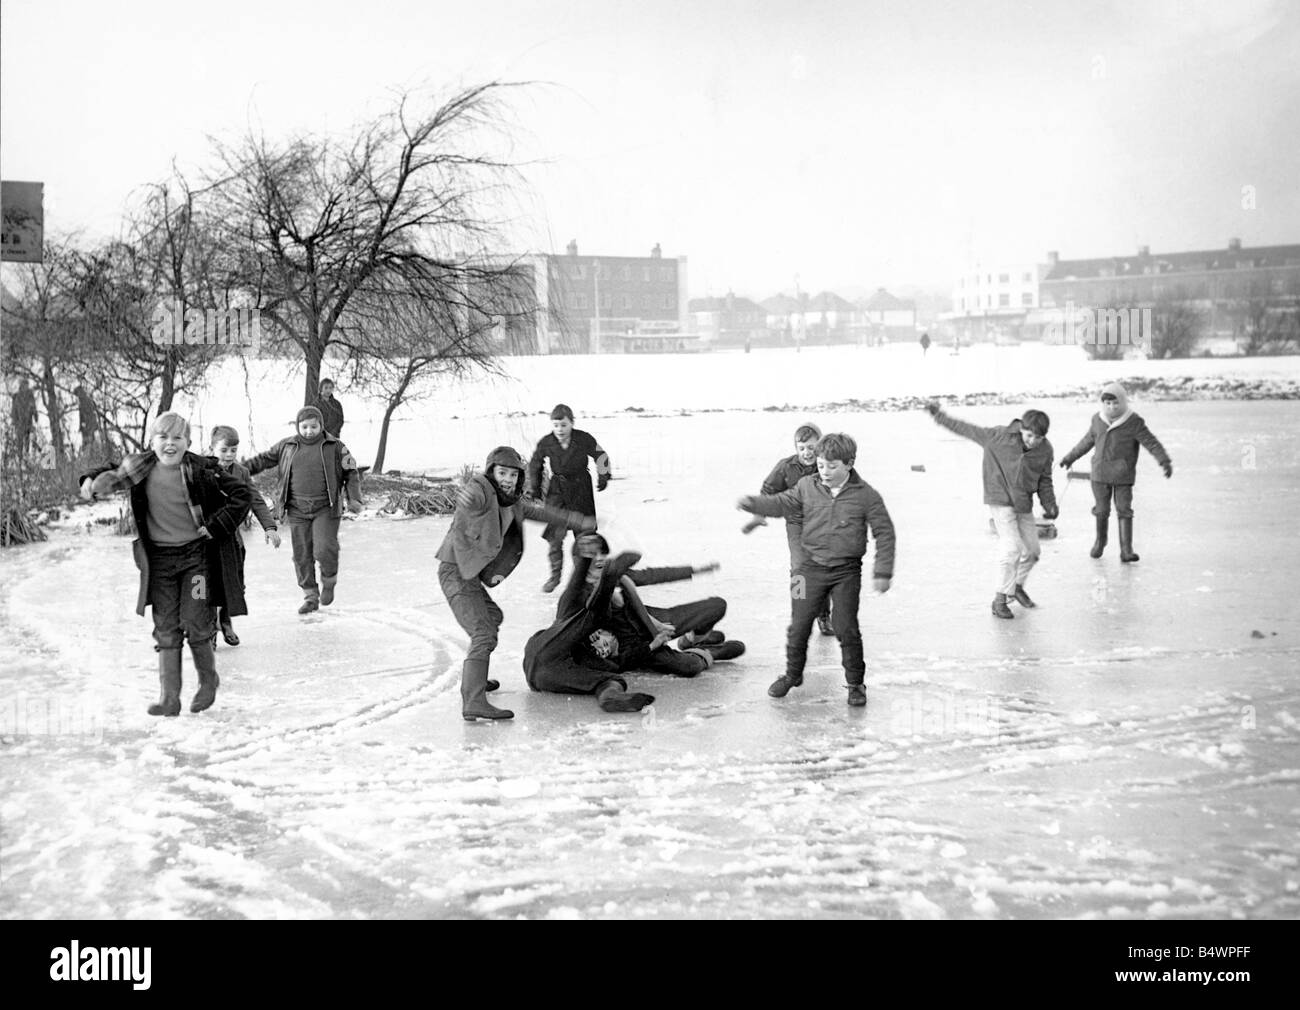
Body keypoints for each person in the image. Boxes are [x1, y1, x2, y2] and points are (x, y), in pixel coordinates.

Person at [79, 412, 251, 716]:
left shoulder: (202, 469)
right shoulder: (139, 467)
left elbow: (241, 494)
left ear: (188, 442)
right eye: (163, 437)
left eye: (177, 438)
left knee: (198, 621)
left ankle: (208, 683)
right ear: (152, 441)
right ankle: (169, 698)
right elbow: (111, 469)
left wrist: (216, 524)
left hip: (196, 563)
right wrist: (90, 480)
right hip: (160, 566)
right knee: (167, 629)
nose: (170, 444)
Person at [437, 445, 597, 721]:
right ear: (491, 472)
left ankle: (473, 679)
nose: (508, 479)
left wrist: (579, 520)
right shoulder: (481, 490)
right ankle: (473, 700)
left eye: (513, 474)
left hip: (469, 575)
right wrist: (465, 496)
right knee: (483, 633)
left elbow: (542, 513)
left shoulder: (511, 502)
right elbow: (471, 496)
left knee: (492, 617)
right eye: (502, 473)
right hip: (455, 572)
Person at [738, 433, 895, 707]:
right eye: (821, 465)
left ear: (849, 463)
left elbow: (885, 533)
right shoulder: (806, 485)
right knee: (798, 626)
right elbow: (781, 502)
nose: (824, 471)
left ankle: (856, 684)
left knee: (846, 628)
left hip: (846, 572)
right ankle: (792, 675)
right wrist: (754, 503)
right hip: (809, 568)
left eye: (832, 466)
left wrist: (883, 572)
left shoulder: (866, 496)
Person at [926, 402, 1057, 618]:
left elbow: (1045, 480)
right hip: (1000, 499)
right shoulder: (998, 437)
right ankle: (1000, 600)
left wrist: (1049, 504)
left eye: (1038, 438)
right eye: (1029, 435)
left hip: (1023, 503)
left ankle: (1016, 586)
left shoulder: (1045, 450)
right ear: (1021, 429)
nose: (1033, 441)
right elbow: (966, 429)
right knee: (1012, 548)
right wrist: (940, 416)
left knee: (1033, 552)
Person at [242, 406, 363, 615]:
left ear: (321, 426)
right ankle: (310, 596)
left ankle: (329, 579)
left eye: (313, 426)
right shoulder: (287, 445)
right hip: (297, 509)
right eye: (304, 427)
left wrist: (355, 498)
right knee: (302, 555)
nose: (308, 431)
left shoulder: (336, 446)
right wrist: (239, 469)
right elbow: (263, 459)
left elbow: (351, 471)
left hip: (326, 508)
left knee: (324, 548)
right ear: (298, 426)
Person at [1059, 382, 1172, 563]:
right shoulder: (1097, 420)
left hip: (1122, 476)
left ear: (1123, 402)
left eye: (1116, 403)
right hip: (1100, 475)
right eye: (1108, 403)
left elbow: (1151, 442)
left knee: (1124, 510)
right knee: (1102, 510)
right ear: (1103, 404)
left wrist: (1163, 460)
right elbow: (1086, 442)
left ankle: (1126, 550)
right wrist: (1069, 457)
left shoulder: (1133, 422)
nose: (1111, 407)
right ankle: (1100, 541)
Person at [744, 422, 834, 636]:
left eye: (811, 447)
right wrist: (759, 514)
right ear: (796, 448)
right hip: (795, 523)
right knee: (799, 569)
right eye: (801, 448)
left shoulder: (828, 465)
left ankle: (824, 616)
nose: (807, 452)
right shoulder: (786, 467)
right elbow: (768, 489)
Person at [525, 403, 611, 593]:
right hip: (558, 491)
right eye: (555, 425)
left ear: (571, 423)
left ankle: (583, 580)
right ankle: (555, 576)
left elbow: (601, 455)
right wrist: (535, 489)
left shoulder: (583, 438)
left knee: (585, 536)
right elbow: (535, 464)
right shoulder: (547, 442)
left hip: (581, 488)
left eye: (563, 425)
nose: (560, 430)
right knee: (555, 537)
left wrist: (603, 475)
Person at [208, 425, 282, 645]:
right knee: (203, 585)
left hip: (232, 539)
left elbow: (255, 499)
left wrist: (269, 527)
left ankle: (226, 621)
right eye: (224, 450)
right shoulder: (201, 469)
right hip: (206, 539)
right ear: (212, 448)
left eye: (233, 450)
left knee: (234, 583)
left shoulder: (241, 472)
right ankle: (208, 627)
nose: (229, 455)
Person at [11, 378, 37, 455]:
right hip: (19, 423)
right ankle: (20, 460)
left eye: (27, 385)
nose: (26, 387)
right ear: (21, 386)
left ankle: (27, 458)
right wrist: (14, 421)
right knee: (19, 443)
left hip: (28, 422)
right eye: (25, 385)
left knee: (27, 442)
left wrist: (35, 415)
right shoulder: (16, 396)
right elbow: (13, 410)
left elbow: (33, 407)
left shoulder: (30, 395)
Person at [74, 384, 99, 450]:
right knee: (87, 443)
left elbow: (92, 412)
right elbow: (81, 416)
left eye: (78, 393)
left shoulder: (87, 400)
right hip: (86, 426)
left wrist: (88, 425)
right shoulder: (81, 402)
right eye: (77, 394)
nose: (78, 396)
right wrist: (81, 426)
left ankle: (91, 451)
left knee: (90, 442)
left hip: (90, 425)